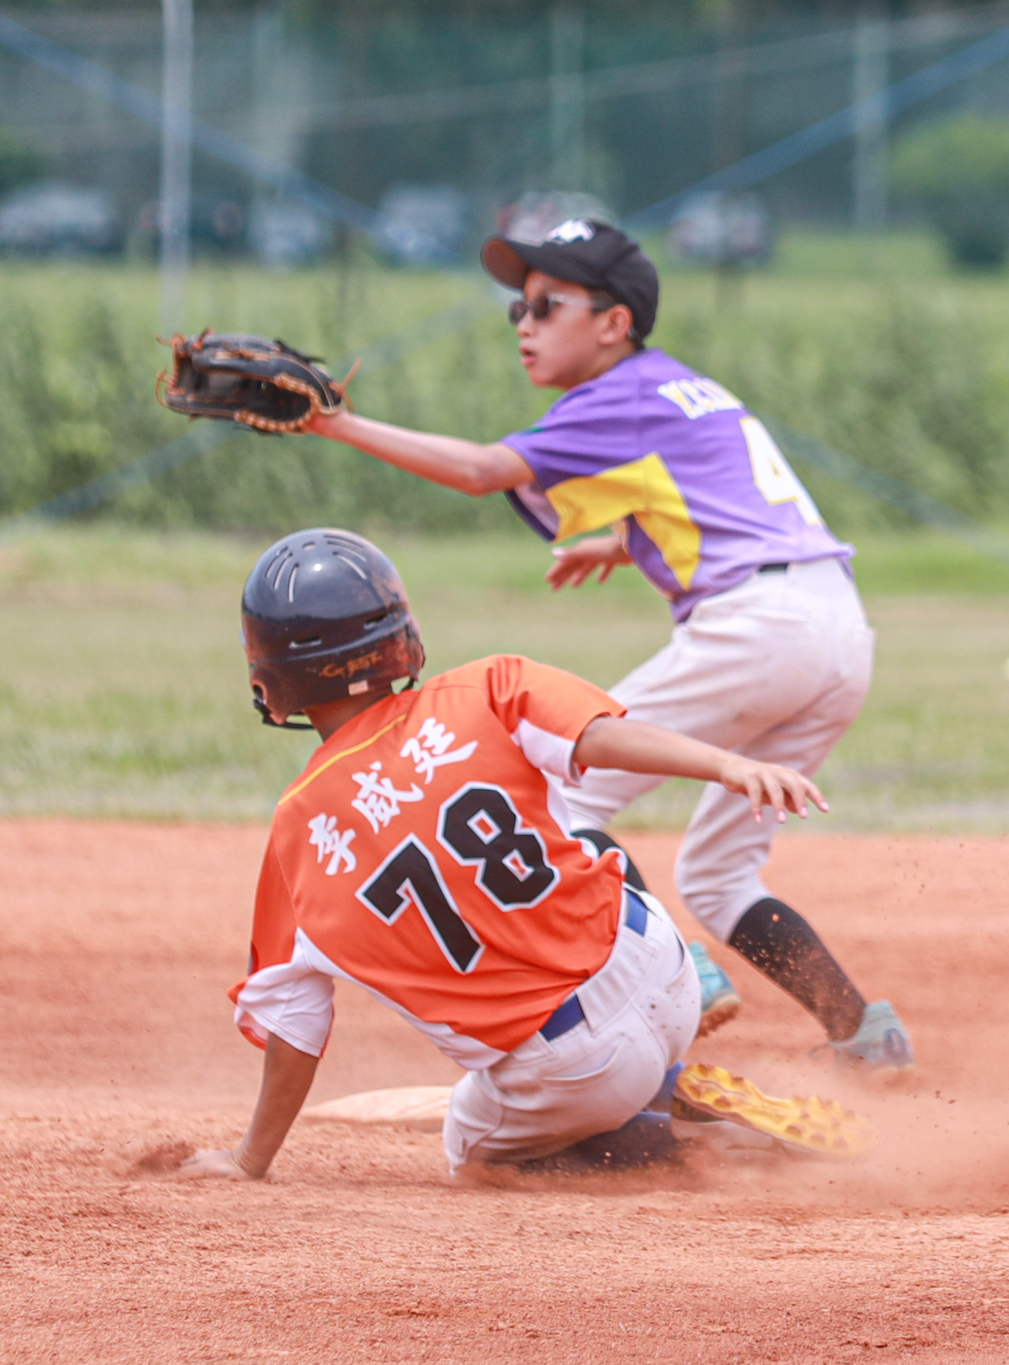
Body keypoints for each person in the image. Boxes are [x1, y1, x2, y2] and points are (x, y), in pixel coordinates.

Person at [303, 218, 912, 1075]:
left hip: (760, 628)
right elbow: (728, 506)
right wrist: (626, 542)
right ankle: (864, 1034)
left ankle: (681, 976)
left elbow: (483, 471)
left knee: (555, 788)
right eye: (519, 304)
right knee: (717, 875)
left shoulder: (615, 395)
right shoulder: (677, 387)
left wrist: (334, 424)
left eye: (548, 303)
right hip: (836, 630)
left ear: (614, 322)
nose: (524, 321)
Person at [181, 529, 868, 1181]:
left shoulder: (298, 829)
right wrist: (724, 764)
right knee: (582, 831)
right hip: (664, 971)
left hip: (573, 1066)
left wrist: (250, 1158)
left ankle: (671, 1135)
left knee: (469, 1151)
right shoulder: (486, 686)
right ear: (400, 637)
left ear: (271, 677)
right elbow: (597, 738)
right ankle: (660, 1081)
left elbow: (295, 1021)